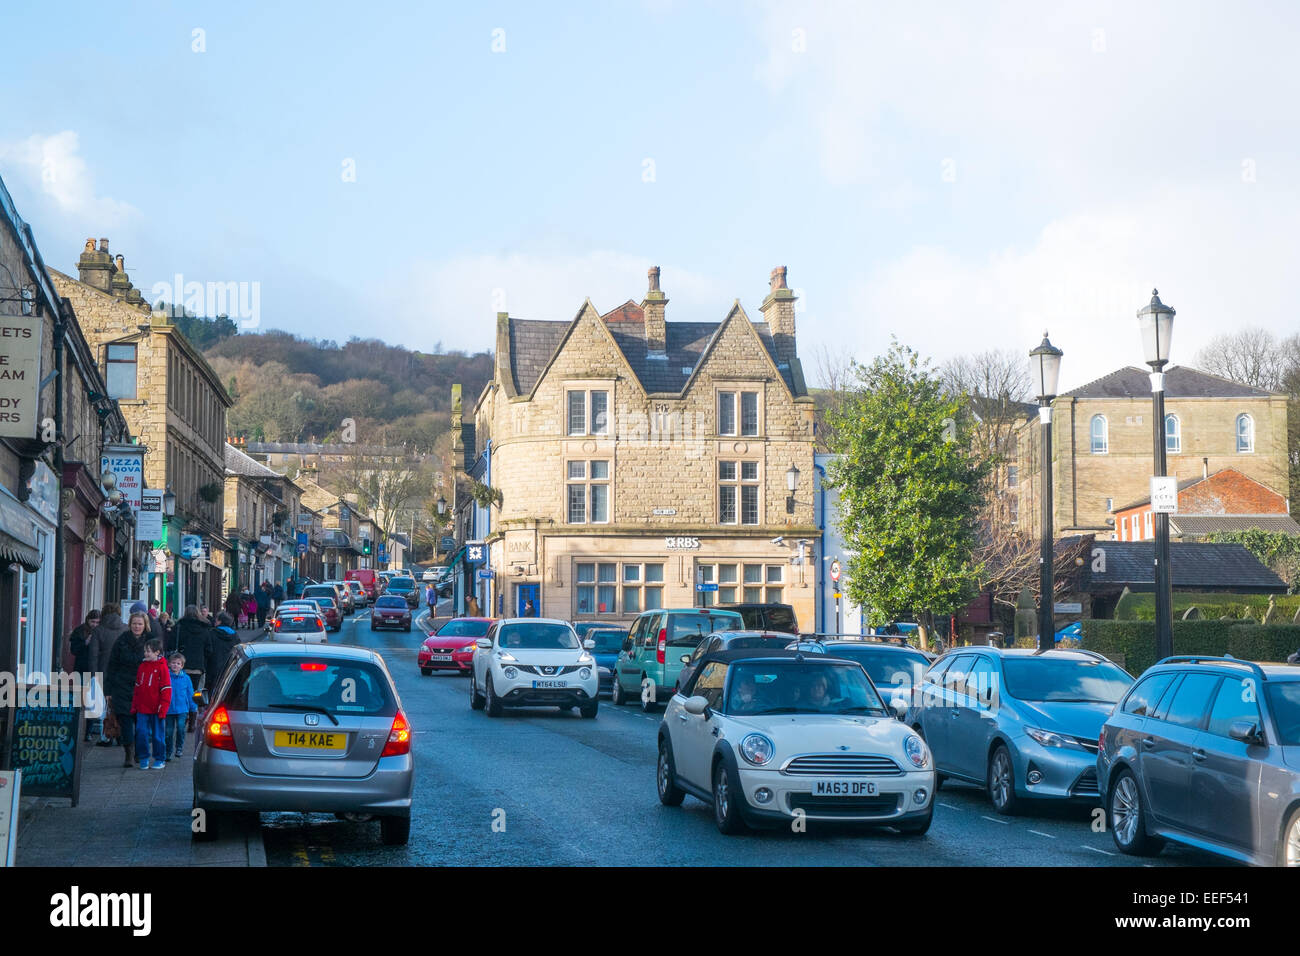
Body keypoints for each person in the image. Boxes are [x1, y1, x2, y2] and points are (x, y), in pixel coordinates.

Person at [104, 611, 150, 767]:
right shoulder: (121, 641)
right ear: (130, 624)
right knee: (125, 721)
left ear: (145, 625)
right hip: (122, 686)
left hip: (143, 687)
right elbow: (112, 665)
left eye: (140, 624)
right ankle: (128, 753)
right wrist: (108, 691)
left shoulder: (151, 642)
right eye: (134, 623)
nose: (137, 627)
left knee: (141, 722)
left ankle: (139, 750)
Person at [130, 638, 172, 770]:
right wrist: (134, 705)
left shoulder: (162, 668)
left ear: (157, 652)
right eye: (145, 651)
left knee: (158, 735)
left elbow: (166, 689)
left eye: (148, 651)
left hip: (157, 709)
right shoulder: (142, 666)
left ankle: (160, 758)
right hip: (142, 708)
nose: (146, 654)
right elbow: (137, 687)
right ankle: (143, 757)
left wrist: (163, 707)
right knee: (141, 732)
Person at [88, 603, 125, 747]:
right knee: (121, 705)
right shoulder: (125, 628)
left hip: (104, 671)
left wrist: (93, 675)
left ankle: (106, 736)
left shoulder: (98, 631)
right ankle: (121, 735)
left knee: (104, 706)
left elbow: (93, 656)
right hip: (122, 672)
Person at [67, 610, 101, 739]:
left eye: (97, 622)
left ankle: (88, 731)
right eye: (93, 622)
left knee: (92, 701)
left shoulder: (100, 632)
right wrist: (85, 643)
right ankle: (77, 729)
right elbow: (74, 650)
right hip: (81, 669)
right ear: (88, 620)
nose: (95, 625)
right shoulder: (80, 631)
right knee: (80, 700)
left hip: (94, 671)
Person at [163, 653, 197, 759]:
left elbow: (190, 693)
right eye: (173, 663)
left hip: (182, 709)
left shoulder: (186, 678)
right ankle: (168, 751)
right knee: (168, 732)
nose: (175, 665)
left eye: (178, 663)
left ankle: (179, 747)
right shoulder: (165, 677)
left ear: (182, 666)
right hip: (168, 709)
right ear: (169, 664)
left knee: (181, 729)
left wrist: (193, 707)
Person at [176, 604, 214, 693]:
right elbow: (209, 650)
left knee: (181, 692)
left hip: (180, 665)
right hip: (198, 666)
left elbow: (171, 644)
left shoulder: (179, 627)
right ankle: (194, 706)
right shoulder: (204, 629)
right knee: (196, 692)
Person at [206, 612, 241, 686]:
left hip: (213, 668)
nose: (215, 621)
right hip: (229, 667)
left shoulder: (211, 633)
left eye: (216, 620)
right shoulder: (235, 635)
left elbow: (207, 650)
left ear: (220, 621)